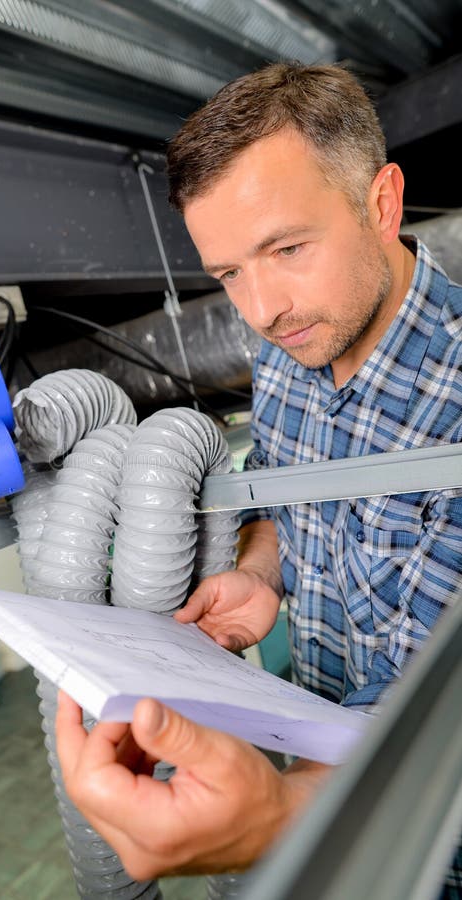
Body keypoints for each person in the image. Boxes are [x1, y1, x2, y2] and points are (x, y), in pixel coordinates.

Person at [56, 62, 462, 892]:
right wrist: (259, 570)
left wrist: (277, 815)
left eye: (285, 249)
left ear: (381, 203)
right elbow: (280, 485)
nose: (259, 310)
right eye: (229, 274)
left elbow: (441, 723)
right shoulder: (288, 356)